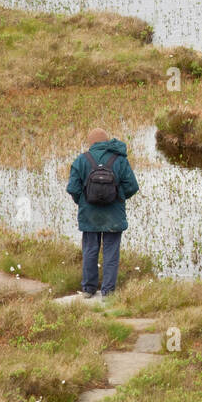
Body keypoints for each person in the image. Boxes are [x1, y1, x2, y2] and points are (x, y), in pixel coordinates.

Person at [65, 128, 139, 299]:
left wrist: (83, 202)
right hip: (114, 216)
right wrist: (118, 198)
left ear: (91, 143)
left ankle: (88, 289)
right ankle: (108, 292)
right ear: (107, 142)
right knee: (111, 253)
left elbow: (73, 189)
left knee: (90, 250)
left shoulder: (81, 160)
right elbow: (132, 187)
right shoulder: (119, 159)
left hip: (89, 215)